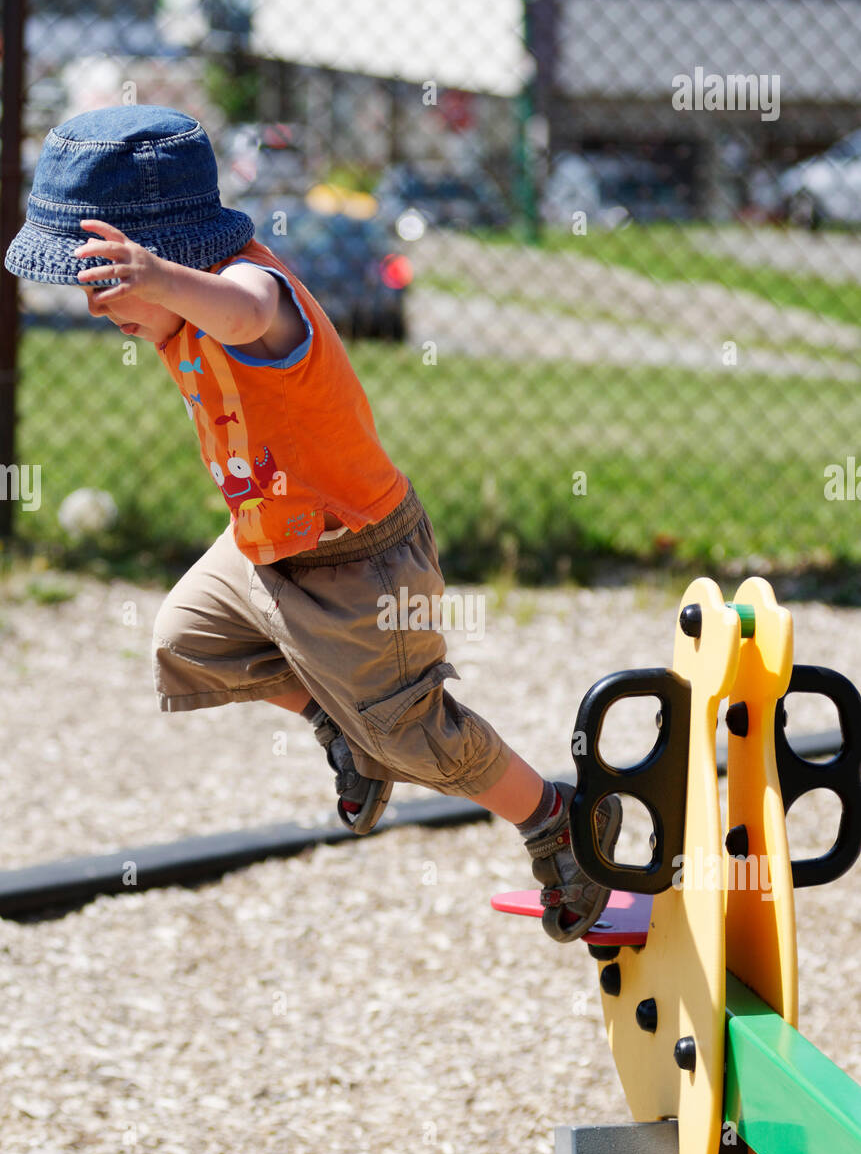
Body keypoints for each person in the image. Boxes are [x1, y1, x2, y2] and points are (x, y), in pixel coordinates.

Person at [4, 105, 621, 942]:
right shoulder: (172, 308)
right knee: (184, 642)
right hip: (265, 550)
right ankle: (339, 728)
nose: (93, 305)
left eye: (105, 283)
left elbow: (249, 314)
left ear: (162, 260)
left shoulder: (253, 291)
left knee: (415, 737)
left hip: (358, 559)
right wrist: (151, 286)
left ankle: (556, 820)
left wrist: (158, 280)